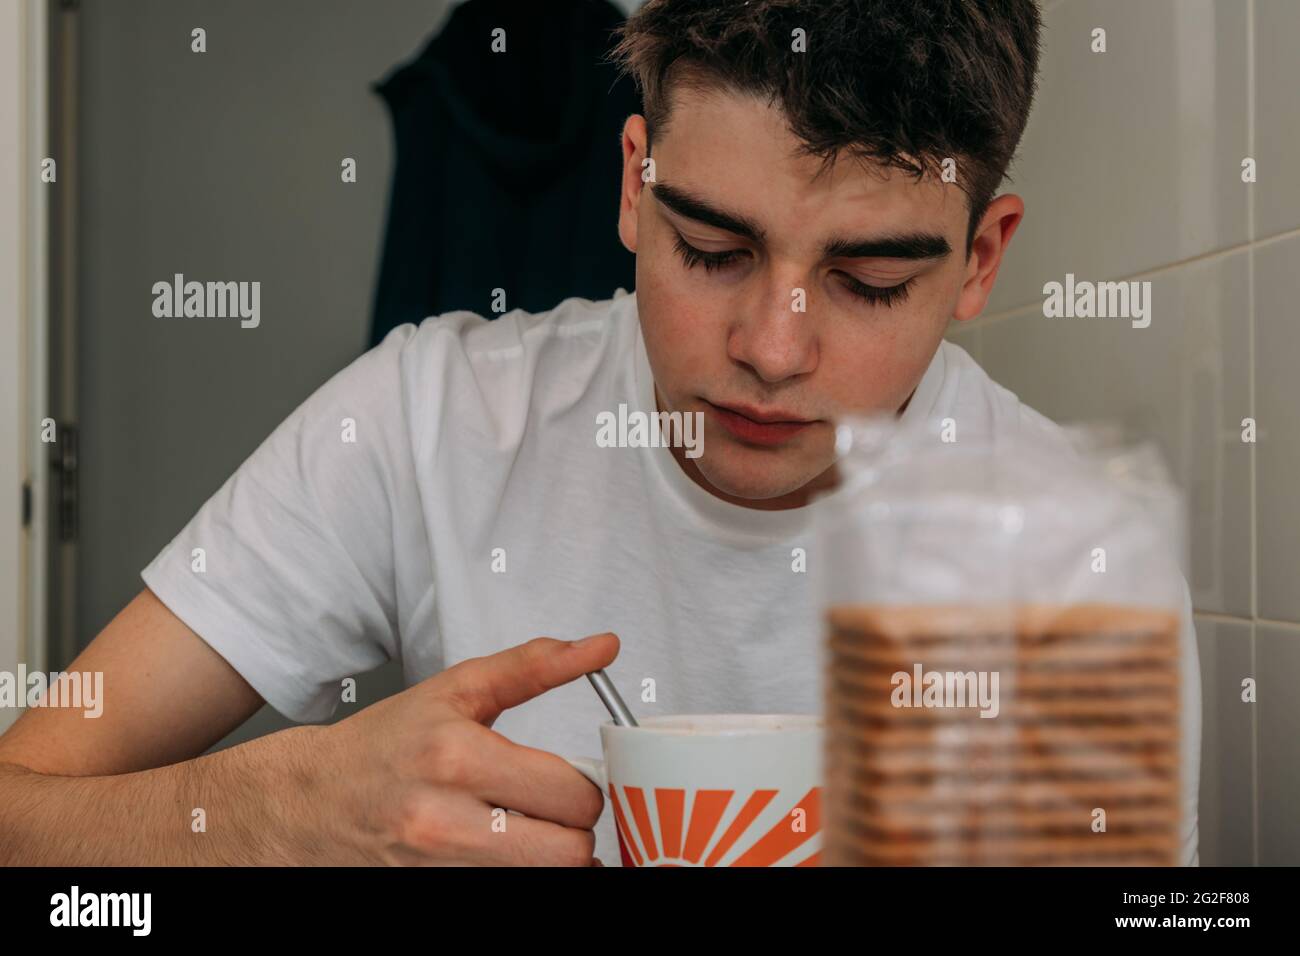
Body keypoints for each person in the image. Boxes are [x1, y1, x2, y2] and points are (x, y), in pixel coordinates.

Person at [0, 0, 1199, 866]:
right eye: (713, 252)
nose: (772, 352)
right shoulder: (426, 418)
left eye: (868, 280)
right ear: (633, 187)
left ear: (981, 259)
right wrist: (272, 815)